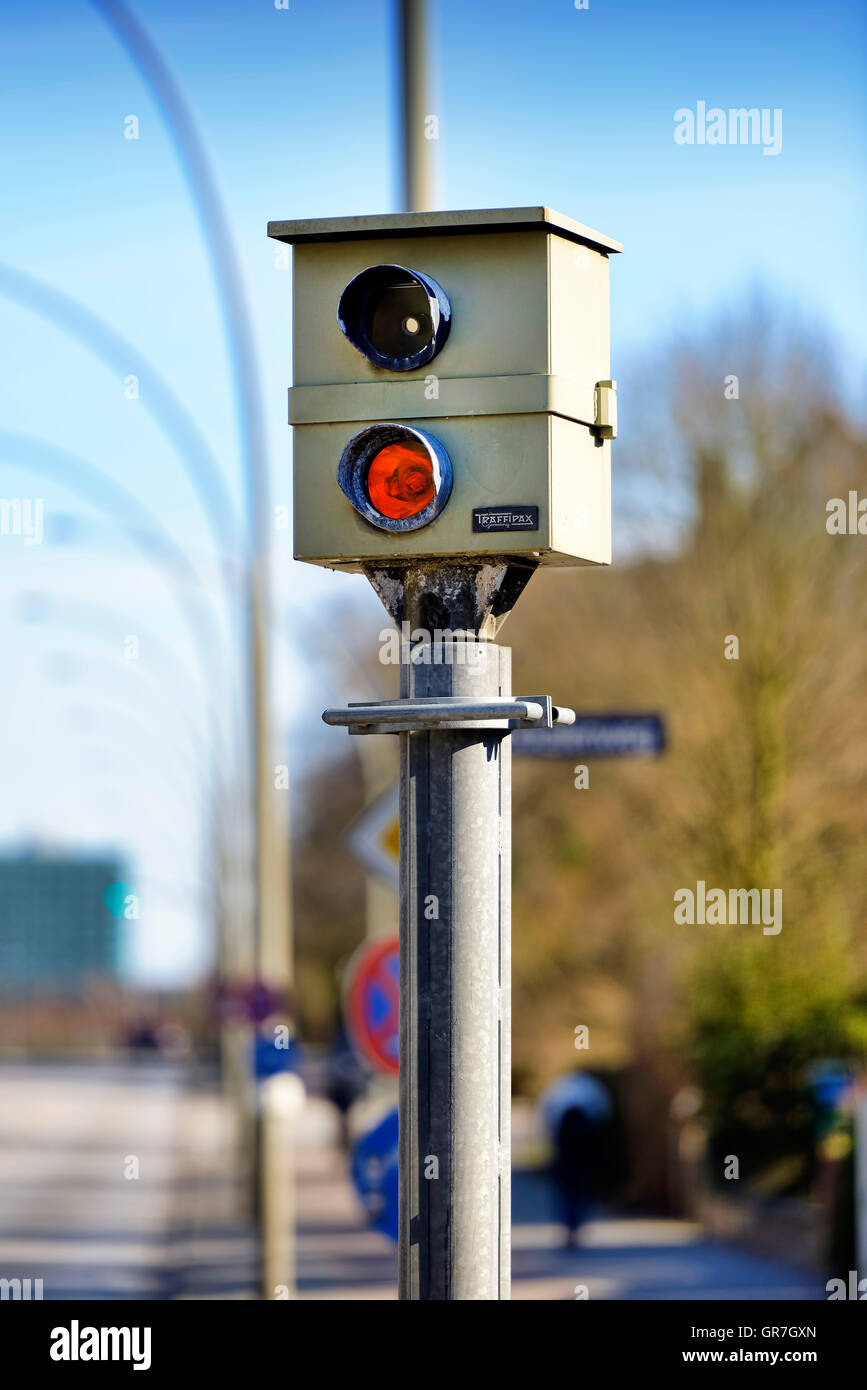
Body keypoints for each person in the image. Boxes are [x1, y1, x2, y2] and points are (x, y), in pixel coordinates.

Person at [540, 1070, 613, 1247]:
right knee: (579, 1192)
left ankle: (570, 1227)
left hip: (565, 1157)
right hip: (582, 1156)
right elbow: (602, 1119)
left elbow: (547, 1120)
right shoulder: (591, 1094)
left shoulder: (560, 1093)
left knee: (566, 1193)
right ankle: (575, 1227)